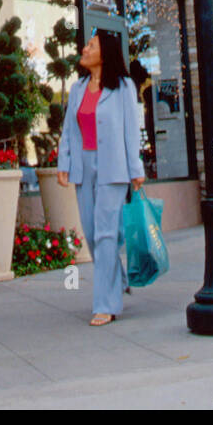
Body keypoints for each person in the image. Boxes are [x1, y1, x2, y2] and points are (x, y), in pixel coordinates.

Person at [56, 30, 145, 326]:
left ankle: (106, 304)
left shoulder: (123, 87)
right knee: (93, 233)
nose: (84, 49)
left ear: (104, 53)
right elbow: (69, 131)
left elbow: (131, 131)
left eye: (90, 46)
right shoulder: (78, 88)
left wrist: (136, 170)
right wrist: (64, 163)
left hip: (114, 169)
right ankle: (117, 279)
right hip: (84, 168)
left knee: (106, 235)